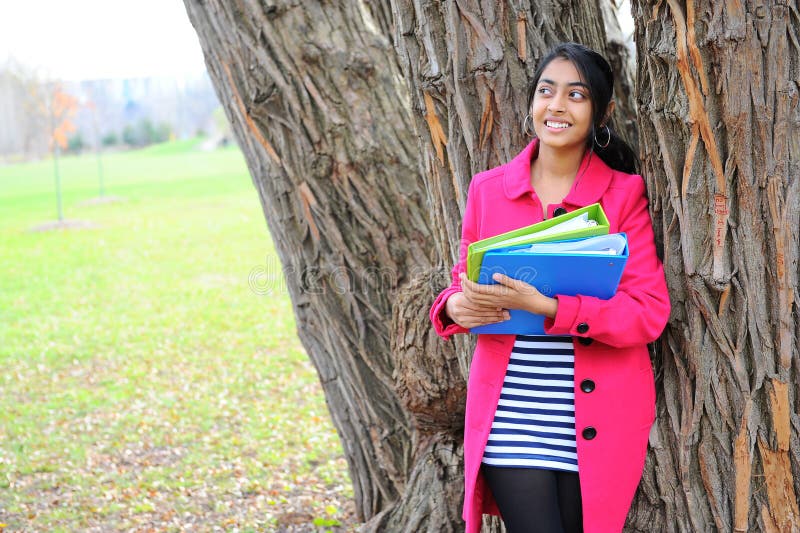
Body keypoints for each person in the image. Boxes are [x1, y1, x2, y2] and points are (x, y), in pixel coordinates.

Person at [429, 42, 671, 533]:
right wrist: (456, 307)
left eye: (576, 95)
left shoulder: (623, 195)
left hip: (600, 417)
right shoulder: (487, 189)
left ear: (601, 113)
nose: (556, 105)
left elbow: (648, 312)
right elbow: (462, 283)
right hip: (511, 418)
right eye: (546, 91)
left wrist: (549, 306)